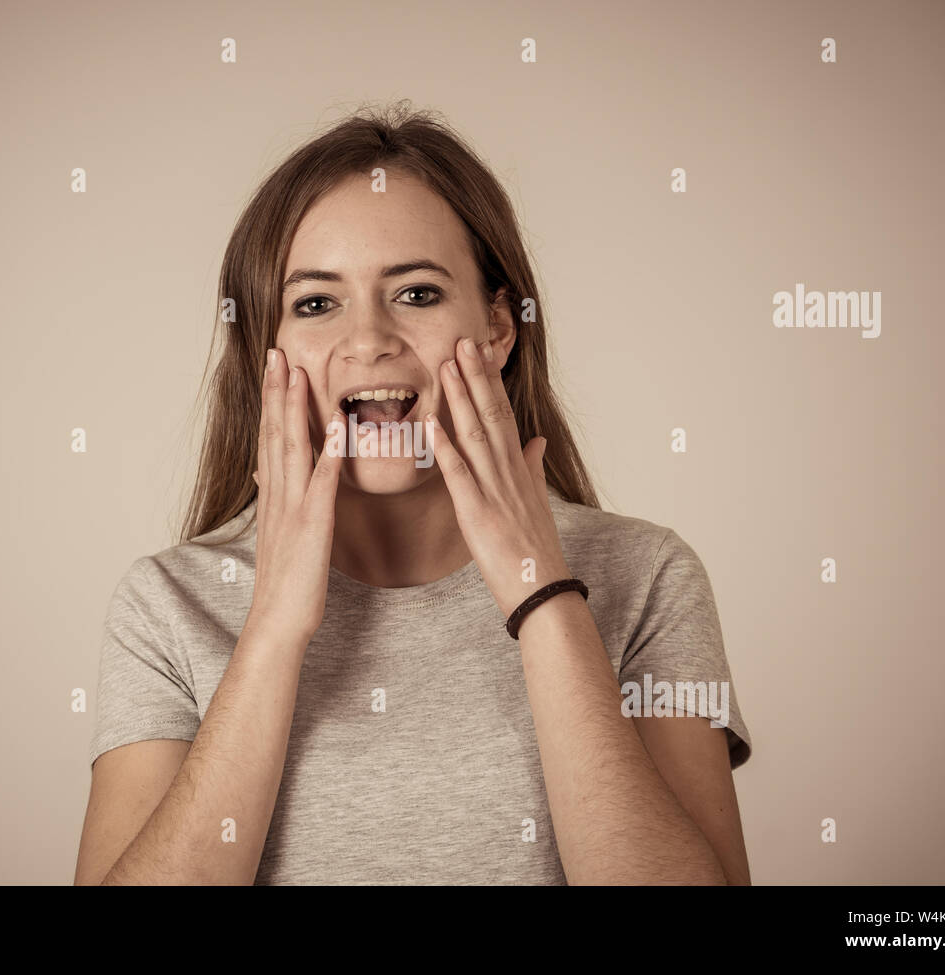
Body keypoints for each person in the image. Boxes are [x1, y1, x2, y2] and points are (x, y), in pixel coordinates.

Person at [74, 102, 753, 885]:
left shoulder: (650, 577)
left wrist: (542, 594)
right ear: (266, 348)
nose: (368, 340)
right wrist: (274, 625)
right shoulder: (164, 605)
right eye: (316, 303)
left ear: (498, 326)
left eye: (418, 294)